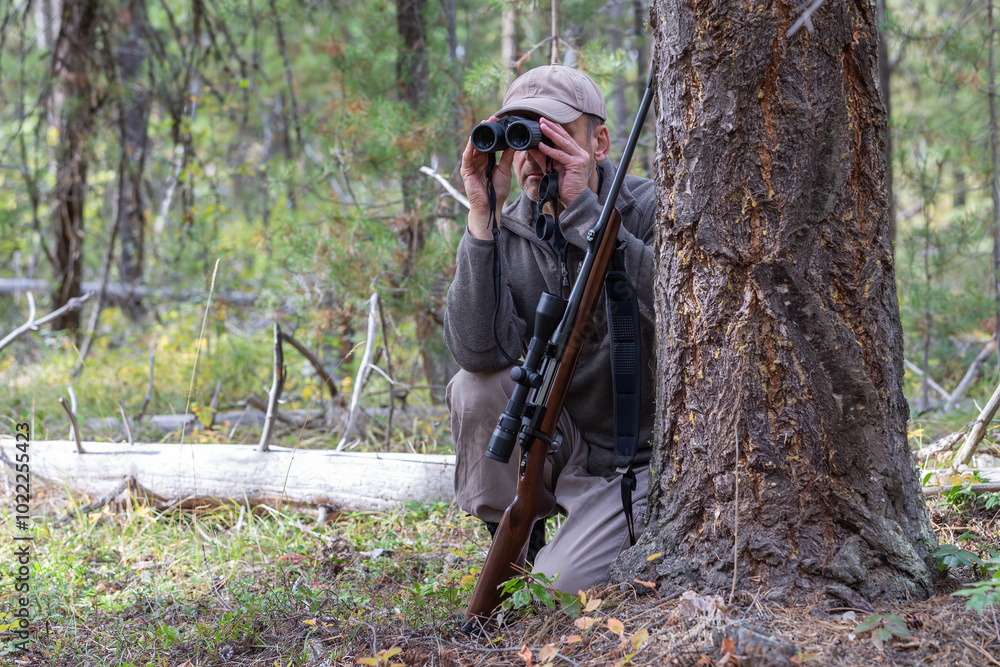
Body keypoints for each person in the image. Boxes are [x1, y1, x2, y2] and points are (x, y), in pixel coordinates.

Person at [444, 65, 656, 594]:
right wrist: (482, 218)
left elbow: (682, 305)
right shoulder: (509, 224)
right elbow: (478, 350)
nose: (537, 157)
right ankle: (514, 533)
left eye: (554, 134)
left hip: (635, 458)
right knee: (475, 385)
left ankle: (559, 553)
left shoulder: (649, 208)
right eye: (524, 137)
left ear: (599, 141)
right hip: (559, 439)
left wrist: (586, 215)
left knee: (555, 590)